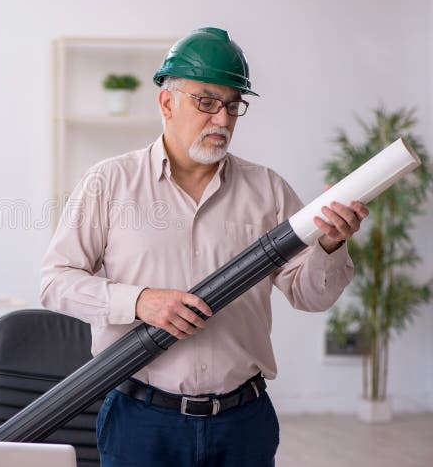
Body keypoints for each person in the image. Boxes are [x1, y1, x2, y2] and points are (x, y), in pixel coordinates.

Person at [40, 27, 368, 467]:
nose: (223, 119)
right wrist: (139, 301)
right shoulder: (109, 183)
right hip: (140, 420)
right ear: (166, 103)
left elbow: (311, 297)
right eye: (207, 102)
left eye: (233, 106)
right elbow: (55, 282)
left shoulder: (268, 190)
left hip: (242, 423)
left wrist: (330, 244)